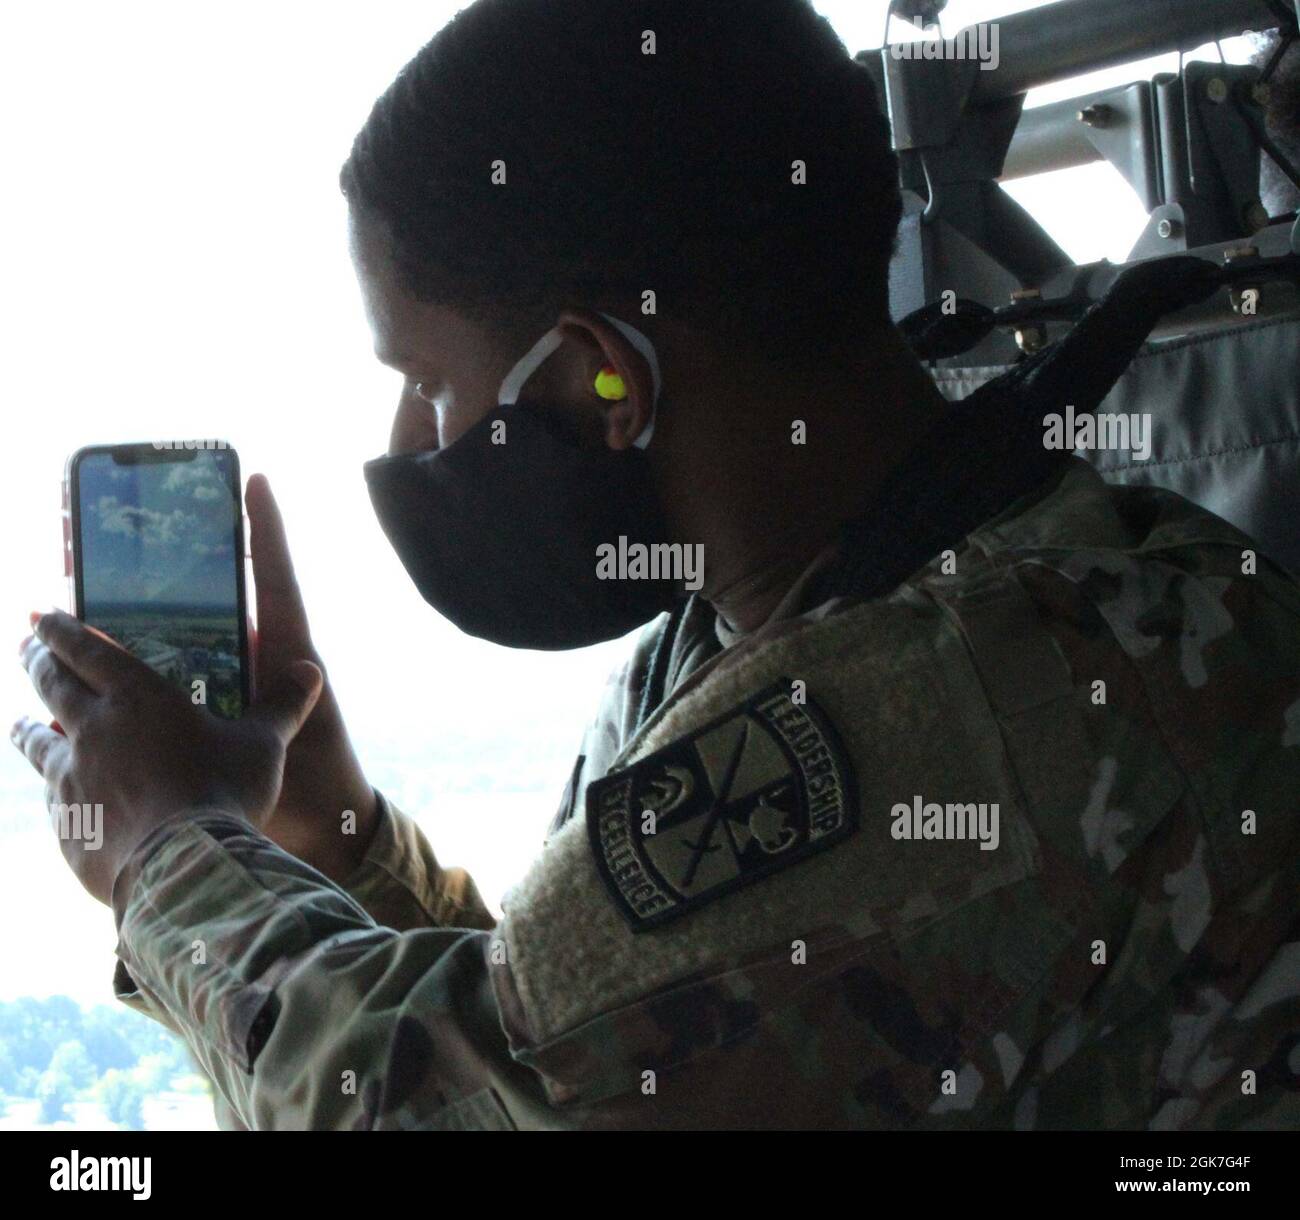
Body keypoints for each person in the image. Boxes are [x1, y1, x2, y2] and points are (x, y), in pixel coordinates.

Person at [13, 0, 1300, 1130]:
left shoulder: (976, 691)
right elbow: (589, 1044)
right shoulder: (747, 631)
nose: (409, 442)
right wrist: (328, 825)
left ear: (599, 375)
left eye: (423, 380)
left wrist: (163, 848)